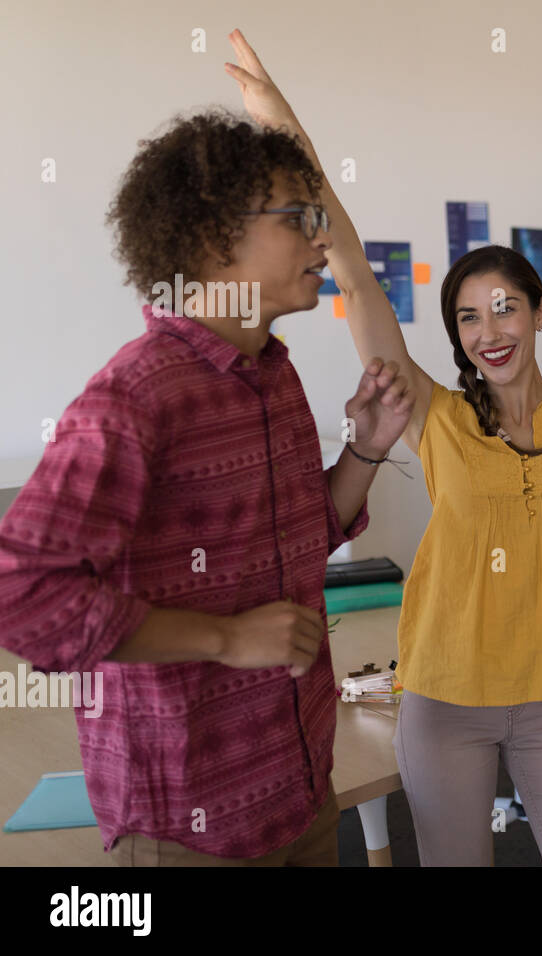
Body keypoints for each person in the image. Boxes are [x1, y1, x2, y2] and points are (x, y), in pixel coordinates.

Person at [224, 15, 542, 865]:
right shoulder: (434, 417)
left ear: (540, 311)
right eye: (468, 317)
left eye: (506, 307)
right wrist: (276, 115)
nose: (490, 330)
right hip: (445, 703)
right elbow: (356, 272)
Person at [0, 99, 415, 863]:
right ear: (210, 235)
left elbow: (302, 539)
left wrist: (364, 450)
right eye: (298, 217)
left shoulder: (274, 376)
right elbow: (20, 594)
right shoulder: (137, 396)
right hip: (190, 826)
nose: (323, 237)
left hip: (300, 790)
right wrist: (223, 640)